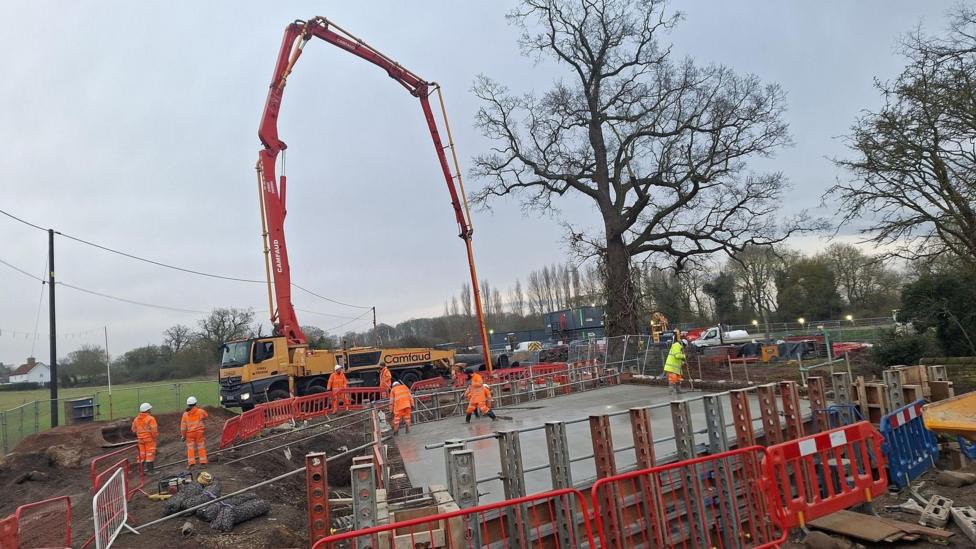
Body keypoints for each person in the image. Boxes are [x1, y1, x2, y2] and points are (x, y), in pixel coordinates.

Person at [180, 396, 209, 468]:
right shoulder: (200, 411)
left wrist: (183, 436)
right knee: (201, 447)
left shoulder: (185, 414)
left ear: (188, 404)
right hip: (199, 432)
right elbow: (206, 416)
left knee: (190, 449)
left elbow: (183, 427)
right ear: (195, 403)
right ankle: (203, 463)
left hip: (190, 434)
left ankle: (191, 464)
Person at [130, 402, 158, 474]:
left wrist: (139, 434)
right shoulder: (151, 419)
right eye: (149, 409)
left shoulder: (136, 419)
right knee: (150, 455)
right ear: (147, 410)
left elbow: (133, 429)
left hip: (140, 440)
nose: (150, 410)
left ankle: (141, 472)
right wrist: (155, 437)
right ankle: (151, 471)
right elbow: (154, 430)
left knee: (141, 455)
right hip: (149, 440)